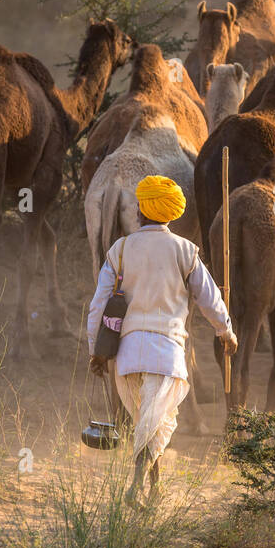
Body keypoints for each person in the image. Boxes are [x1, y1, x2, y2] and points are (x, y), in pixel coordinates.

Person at [86, 175, 237, 503]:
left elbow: (98, 304)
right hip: (166, 352)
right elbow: (209, 299)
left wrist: (94, 350)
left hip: (126, 357)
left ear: (140, 211)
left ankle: (153, 489)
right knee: (158, 424)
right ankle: (135, 484)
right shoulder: (186, 251)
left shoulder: (120, 249)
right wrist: (225, 331)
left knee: (146, 422)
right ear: (173, 214)